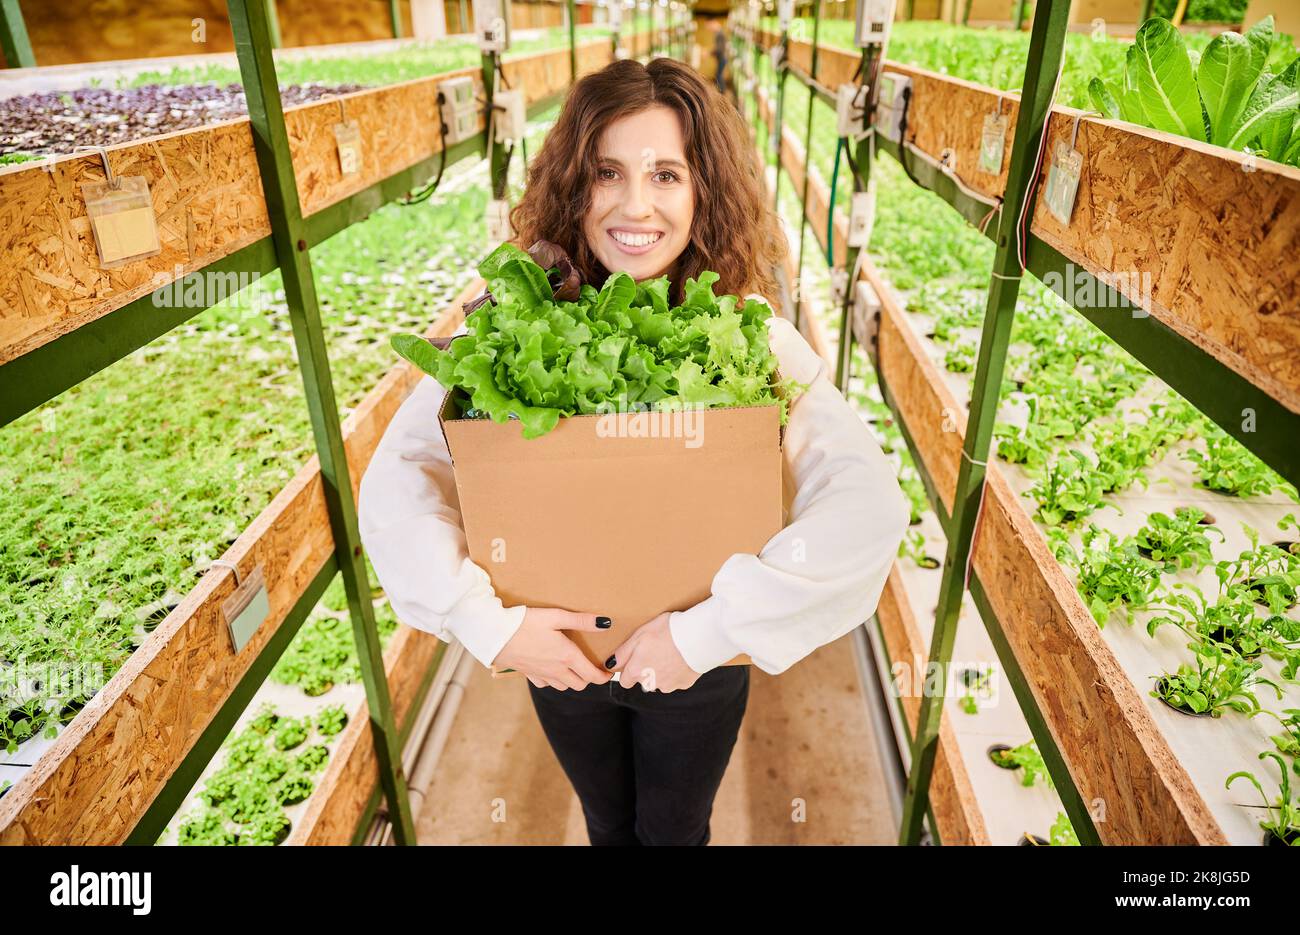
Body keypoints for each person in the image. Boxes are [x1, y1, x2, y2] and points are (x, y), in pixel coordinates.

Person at [358, 57, 909, 846]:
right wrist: (488, 625)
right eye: (606, 173)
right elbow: (398, 479)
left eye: (667, 174)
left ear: (702, 192)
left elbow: (868, 506)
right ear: (573, 186)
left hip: (697, 670)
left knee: (678, 829)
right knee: (608, 822)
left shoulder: (752, 336)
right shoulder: (507, 327)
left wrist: (706, 634)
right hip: (563, 660)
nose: (635, 205)